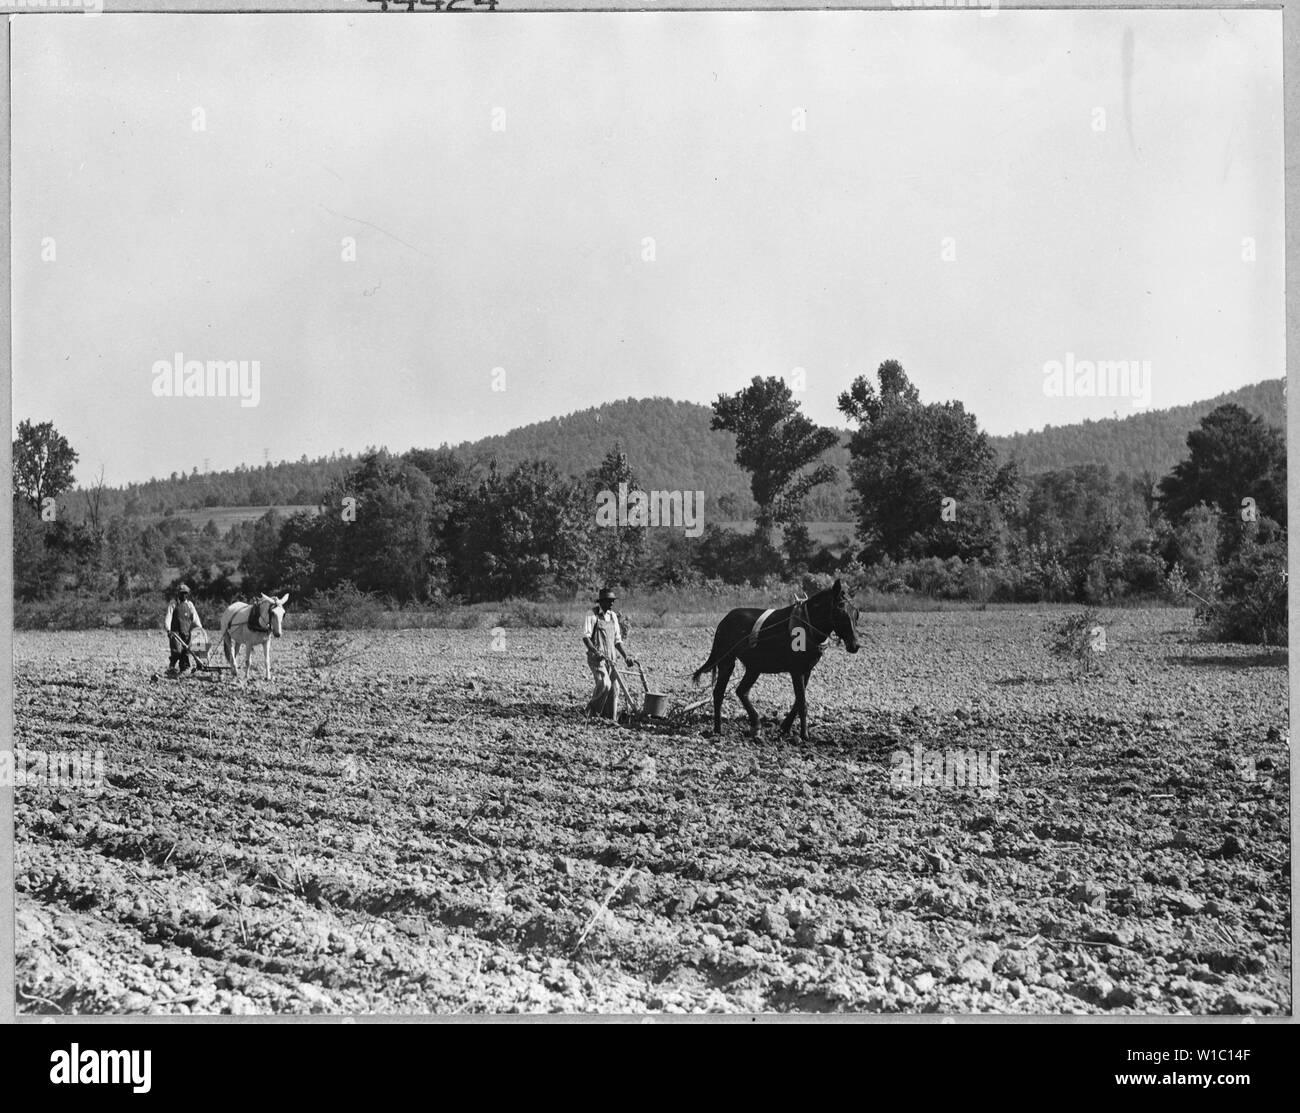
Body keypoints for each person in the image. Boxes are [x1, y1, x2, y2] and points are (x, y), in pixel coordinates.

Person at [582, 587, 636, 718]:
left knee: (614, 690)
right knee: (605, 684)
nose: (612, 603)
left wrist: (626, 656)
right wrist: (595, 651)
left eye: (613, 601)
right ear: (601, 601)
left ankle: (610, 720)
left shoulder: (613, 616)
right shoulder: (592, 614)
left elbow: (617, 641)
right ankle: (591, 712)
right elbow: (586, 637)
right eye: (609, 601)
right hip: (597, 658)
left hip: (611, 658)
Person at [163, 584, 204, 677]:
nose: (184, 595)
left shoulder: (190, 605)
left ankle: (184, 668)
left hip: (186, 631)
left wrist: (200, 628)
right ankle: (171, 667)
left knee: (186, 651)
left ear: (188, 594)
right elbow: (168, 616)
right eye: (182, 593)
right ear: (178, 593)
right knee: (177, 651)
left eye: (185, 593)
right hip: (175, 632)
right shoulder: (173, 603)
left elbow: (195, 618)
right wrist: (168, 629)